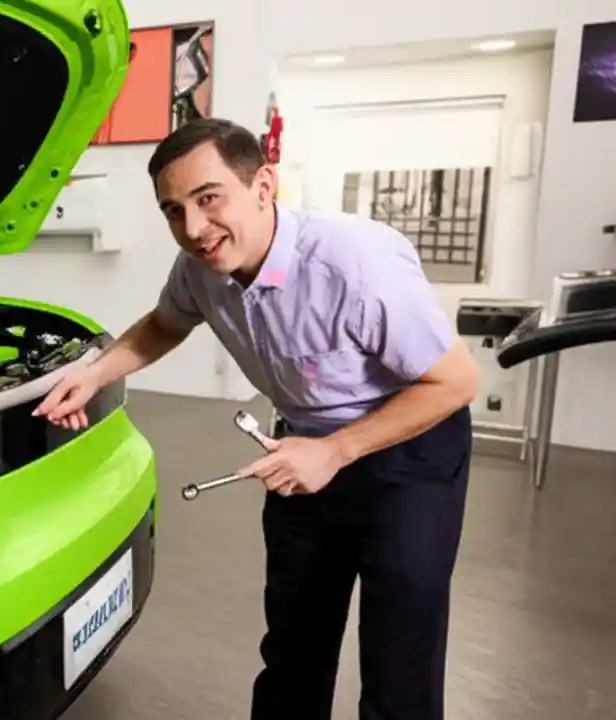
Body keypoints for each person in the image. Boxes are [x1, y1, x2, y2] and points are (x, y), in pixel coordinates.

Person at [33, 117, 480, 720]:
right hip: (301, 445)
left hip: (408, 448)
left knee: (400, 661)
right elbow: (166, 323)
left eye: (208, 198)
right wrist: (95, 372)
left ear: (263, 186)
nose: (193, 229)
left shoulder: (355, 264)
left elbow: (455, 382)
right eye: (173, 211)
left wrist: (336, 451)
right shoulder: (200, 269)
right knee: (293, 647)